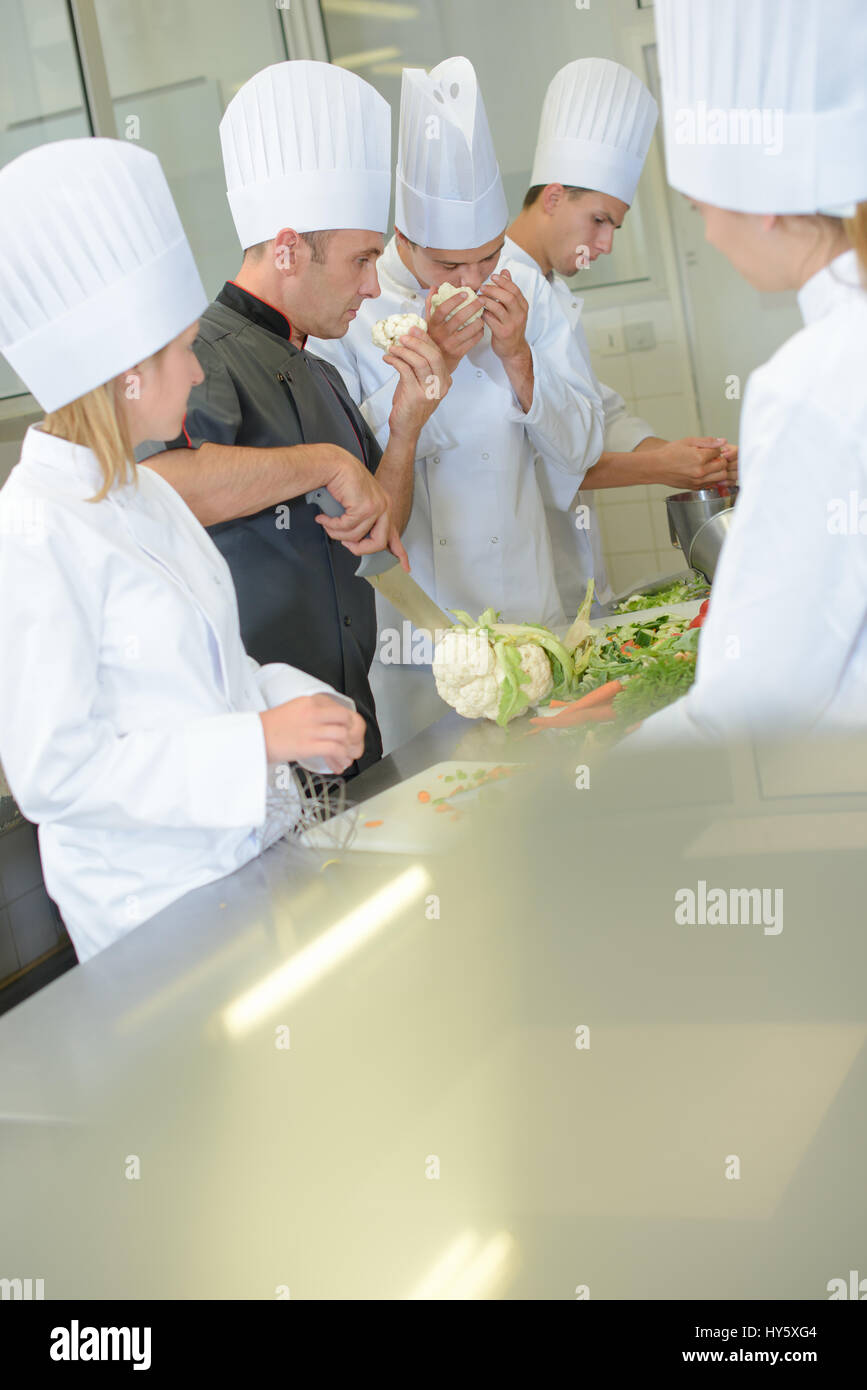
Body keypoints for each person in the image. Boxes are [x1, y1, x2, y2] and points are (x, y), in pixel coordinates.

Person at [0, 138, 366, 963]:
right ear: (125, 373)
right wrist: (260, 741)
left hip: (244, 869)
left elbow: (210, 678)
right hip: (152, 920)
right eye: (181, 351)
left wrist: (294, 704)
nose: (199, 374)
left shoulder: (147, 493)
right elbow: (55, 774)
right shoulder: (33, 528)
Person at [139, 61, 452, 775]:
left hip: (349, 727)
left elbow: (379, 527)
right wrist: (328, 462)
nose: (373, 286)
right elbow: (164, 486)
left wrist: (405, 429)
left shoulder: (321, 371)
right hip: (255, 745)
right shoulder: (201, 355)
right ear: (286, 249)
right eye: (361, 260)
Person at [309, 56, 605, 749]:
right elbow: (344, 481)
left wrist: (518, 359)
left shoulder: (524, 290)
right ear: (403, 240)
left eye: (489, 256)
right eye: (448, 266)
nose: (474, 280)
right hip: (420, 642)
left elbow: (581, 450)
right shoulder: (349, 310)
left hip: (530, 617)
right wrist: (431, 364)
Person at [628, 0, 867, 742]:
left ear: (763, 205)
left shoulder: (809, 382)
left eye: (699, 205)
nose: (706, 232)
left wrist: (596, 790)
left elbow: (756, 693)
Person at [507, 57, 738, 612]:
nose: (606, 245)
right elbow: (532, 453)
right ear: (554, 196)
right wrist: (661, 467)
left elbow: (597, 415)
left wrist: (688, 458)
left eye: (615, 226)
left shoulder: (552, 289)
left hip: (570, 568)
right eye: (601, 220)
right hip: (520, 573)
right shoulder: (497, 292)